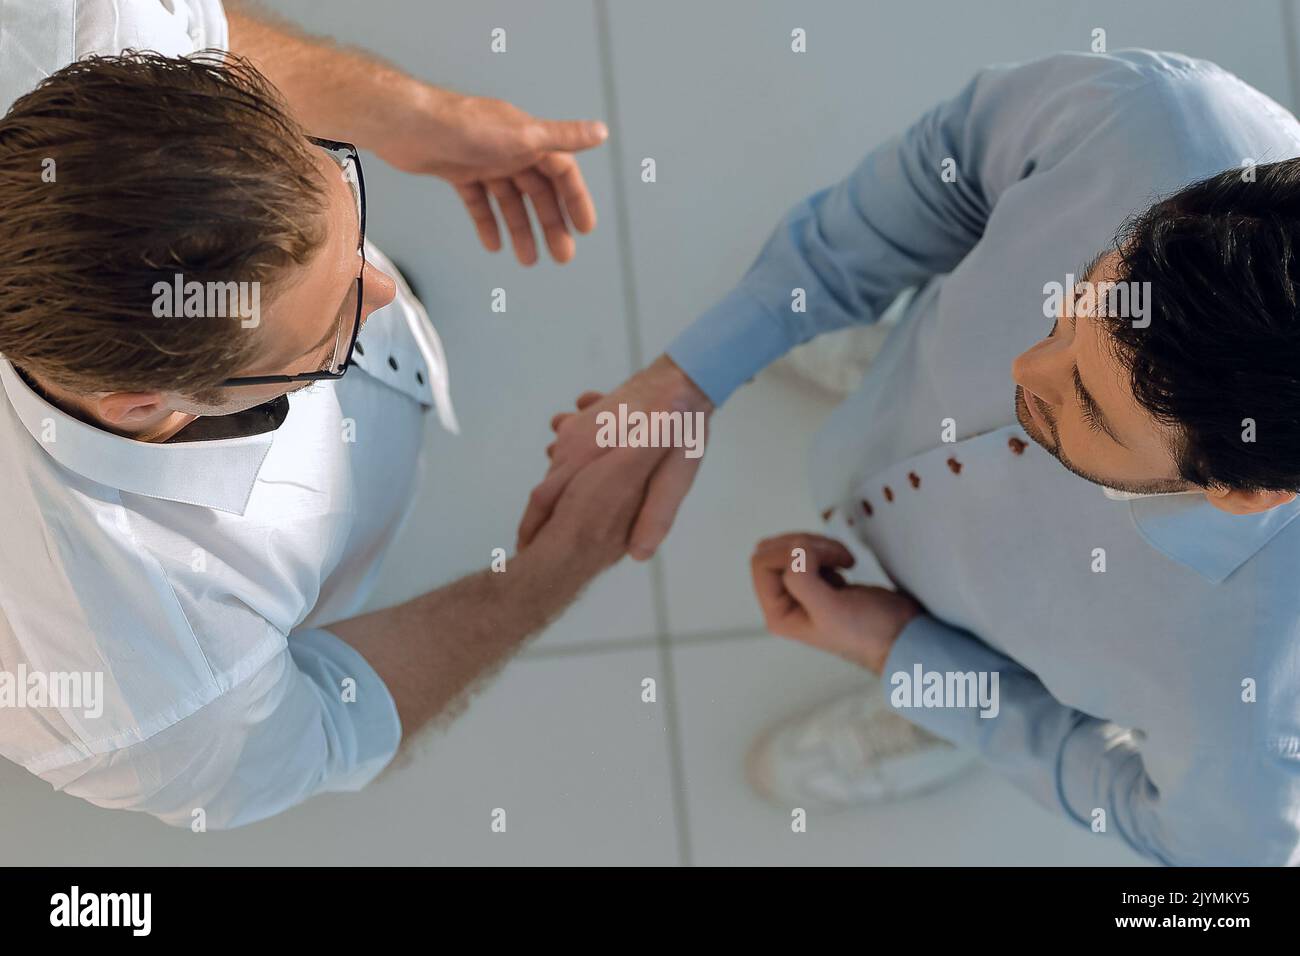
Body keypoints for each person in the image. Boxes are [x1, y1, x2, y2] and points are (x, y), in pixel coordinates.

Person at [530, 50, 1300, 865]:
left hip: (993, 655)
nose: (1022, 370)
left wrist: (908, 657)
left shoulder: (1255, 701)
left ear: (1242, 490)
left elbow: (1195, 845)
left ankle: (943, 708)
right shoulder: (1153, 120)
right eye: (1070, 307)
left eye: (1093, 409)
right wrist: (695, 375)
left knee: (961, 684)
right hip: (907, 389)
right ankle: (893, 364)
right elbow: (951, 171)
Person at [0, 0, 652, 829]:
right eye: (333, 328)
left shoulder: (46, 34)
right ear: (143, 405)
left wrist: (420, 116)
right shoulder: (145, 693)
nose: (386, 291)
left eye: (344, 194)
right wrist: (554, 568)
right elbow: (329, 726)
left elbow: (203, 35)